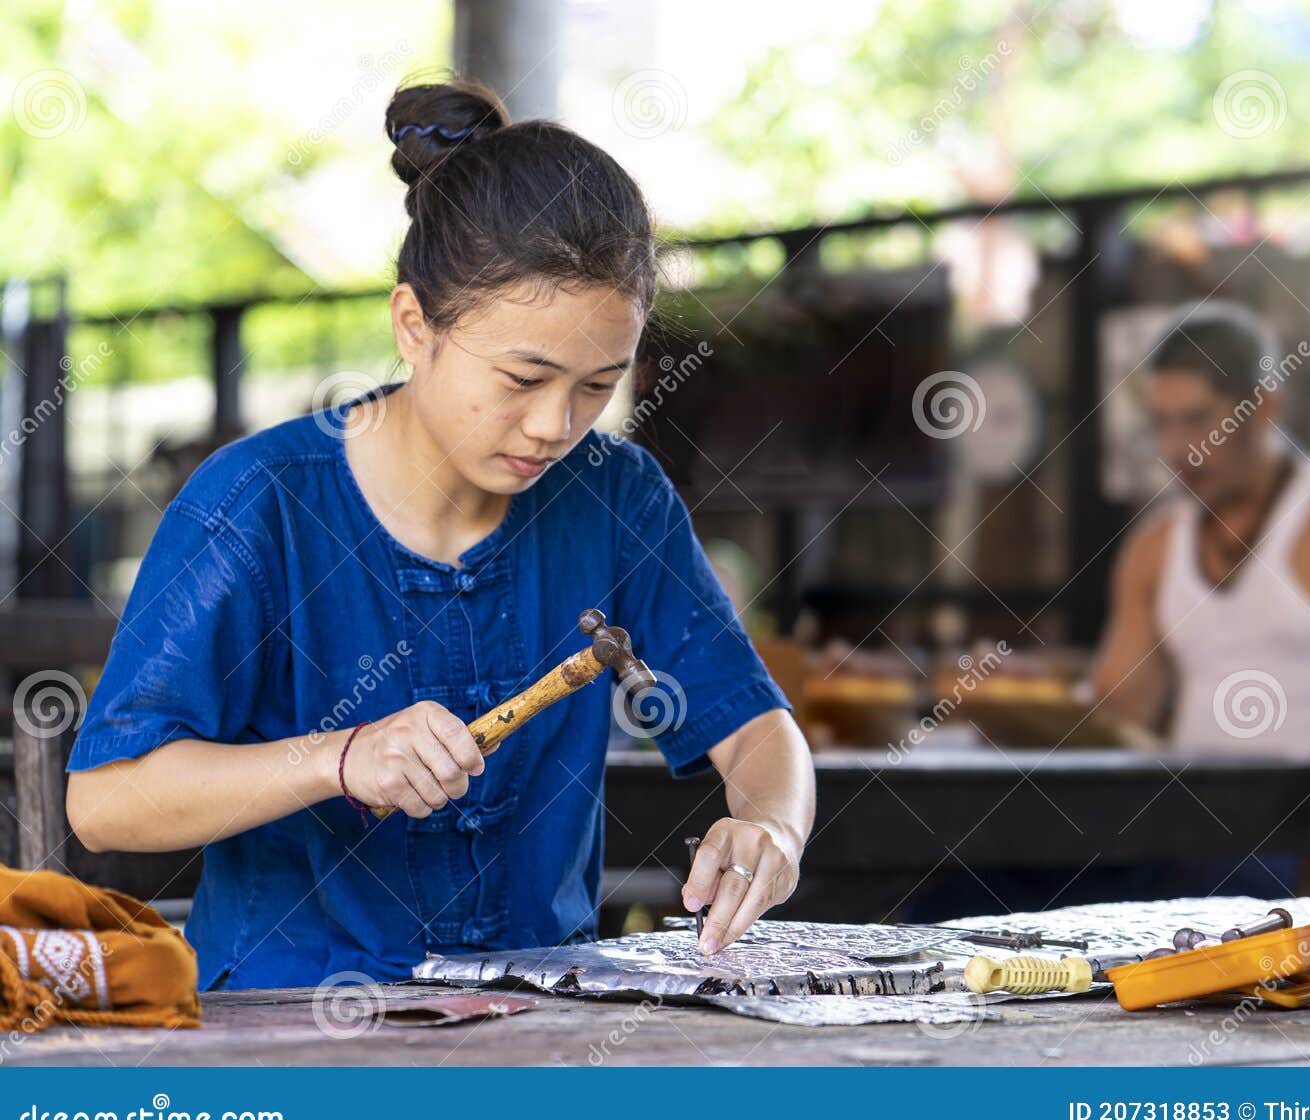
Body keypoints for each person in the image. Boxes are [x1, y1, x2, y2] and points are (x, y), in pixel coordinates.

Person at [64, 79, 815, 990]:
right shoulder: (258, 502)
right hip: (286, 1033)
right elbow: (105, 800)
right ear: (414, 325)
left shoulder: (618, 498)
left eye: (596, 384)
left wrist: (770, 825)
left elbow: (755, 727)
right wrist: (338, 757)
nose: (555, 424)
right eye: (523, 377)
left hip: (542, 1019)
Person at [1091, 302, 1310, 762]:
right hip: (1200, 823)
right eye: (1161, 423)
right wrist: (1010, 702)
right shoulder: (1154, 548)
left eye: (1197, 421)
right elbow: (1119, 710)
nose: (1175, 448)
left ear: (1264, 408)